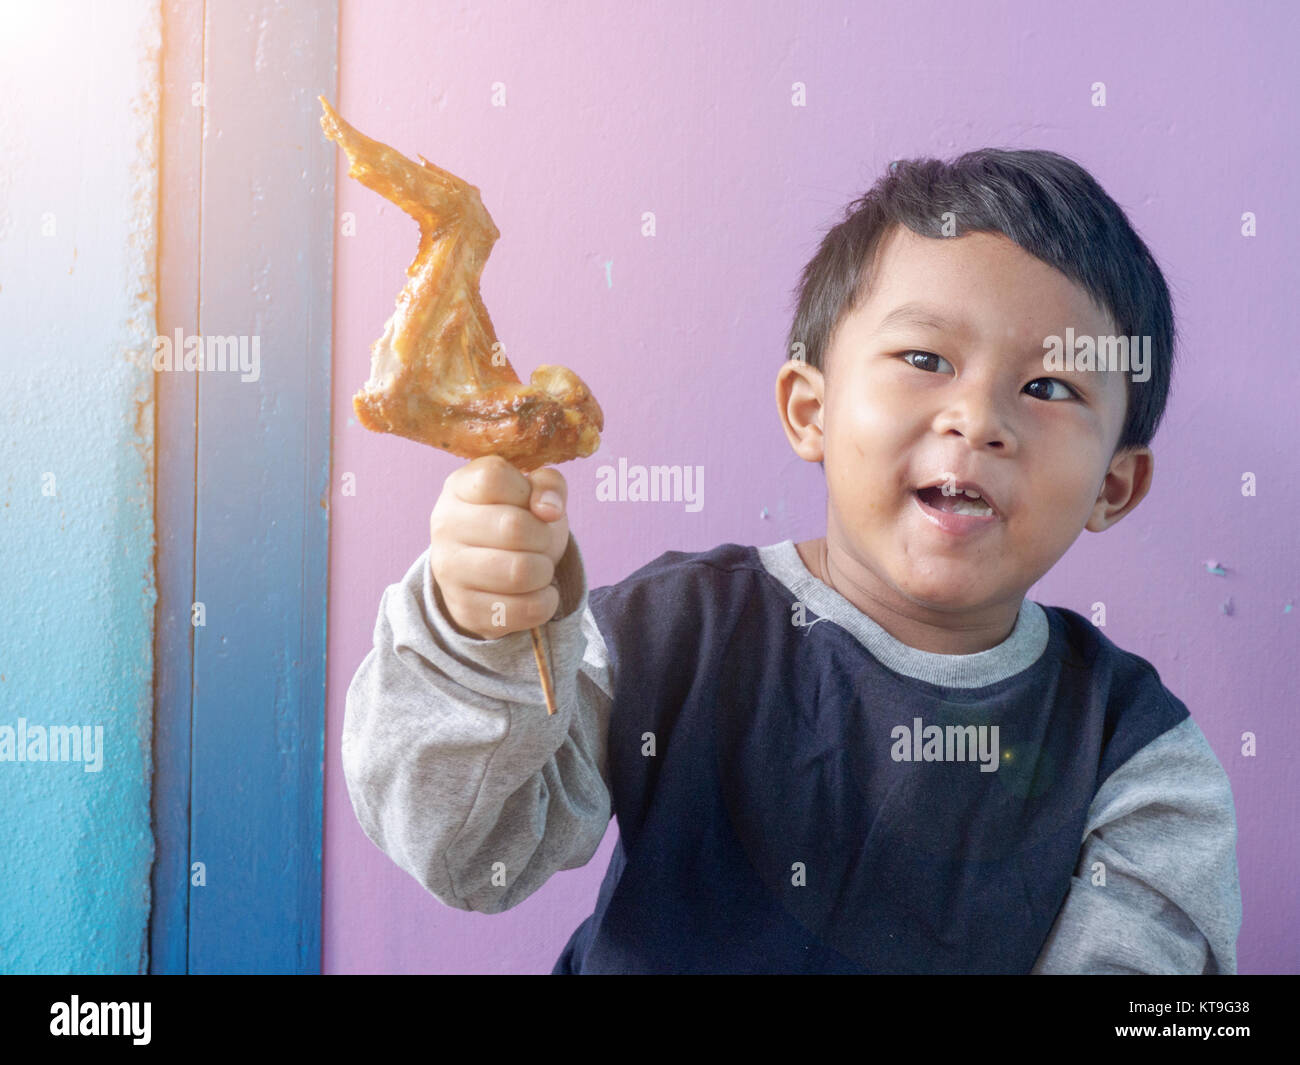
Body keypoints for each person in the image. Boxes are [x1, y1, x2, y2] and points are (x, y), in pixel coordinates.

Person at [342, 148, 1242, 974]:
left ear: (1113, 488)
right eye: (926, 357)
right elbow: (469, 855)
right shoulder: (671, 634)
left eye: (1049, 386)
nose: (978, 419)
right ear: (810, 410)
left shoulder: (1141, 755)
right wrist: (477, 632)